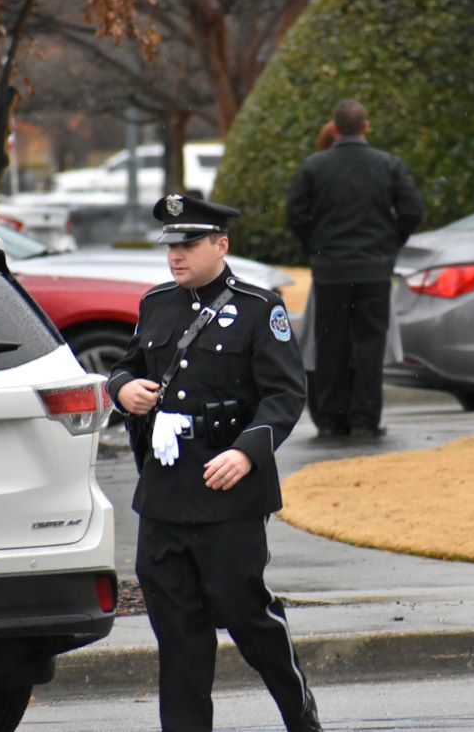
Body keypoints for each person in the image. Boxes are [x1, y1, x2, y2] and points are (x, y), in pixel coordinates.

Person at [106, 194, 322, 732]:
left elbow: (284, 395)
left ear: (220, 245)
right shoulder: (157, 303)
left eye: (189, 244)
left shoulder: (258, 308)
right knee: (178, 633)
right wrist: (123, 388)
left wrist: (247, 454)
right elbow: (126, 366)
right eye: (171, 245)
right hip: (164, 494)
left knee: (249, 618)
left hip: (229, 493)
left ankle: (302, 719)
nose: (176, 255)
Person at [286, 99, 425, 438]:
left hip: (331, 269)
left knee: (331, 343)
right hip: (374, 269)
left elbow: (295, 216)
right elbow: (412, 210)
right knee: (369, 346)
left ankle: (332, 418)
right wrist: (389, 243)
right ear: (366, 127)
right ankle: (365, 418)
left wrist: (316, 247)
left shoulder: (314, 167)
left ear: (334, 129)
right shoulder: (388, 165)